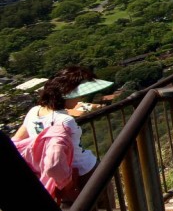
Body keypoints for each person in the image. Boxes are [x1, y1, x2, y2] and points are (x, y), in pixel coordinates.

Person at [13, 66, 108, 203]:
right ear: (66, 95)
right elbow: (54, 162)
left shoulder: (33, 112)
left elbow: (16, 142)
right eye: (77, 95)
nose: (79, 100)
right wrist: (66, 182)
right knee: (103, 210)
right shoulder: (64, 121)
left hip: (51, 178)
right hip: (82, 171)